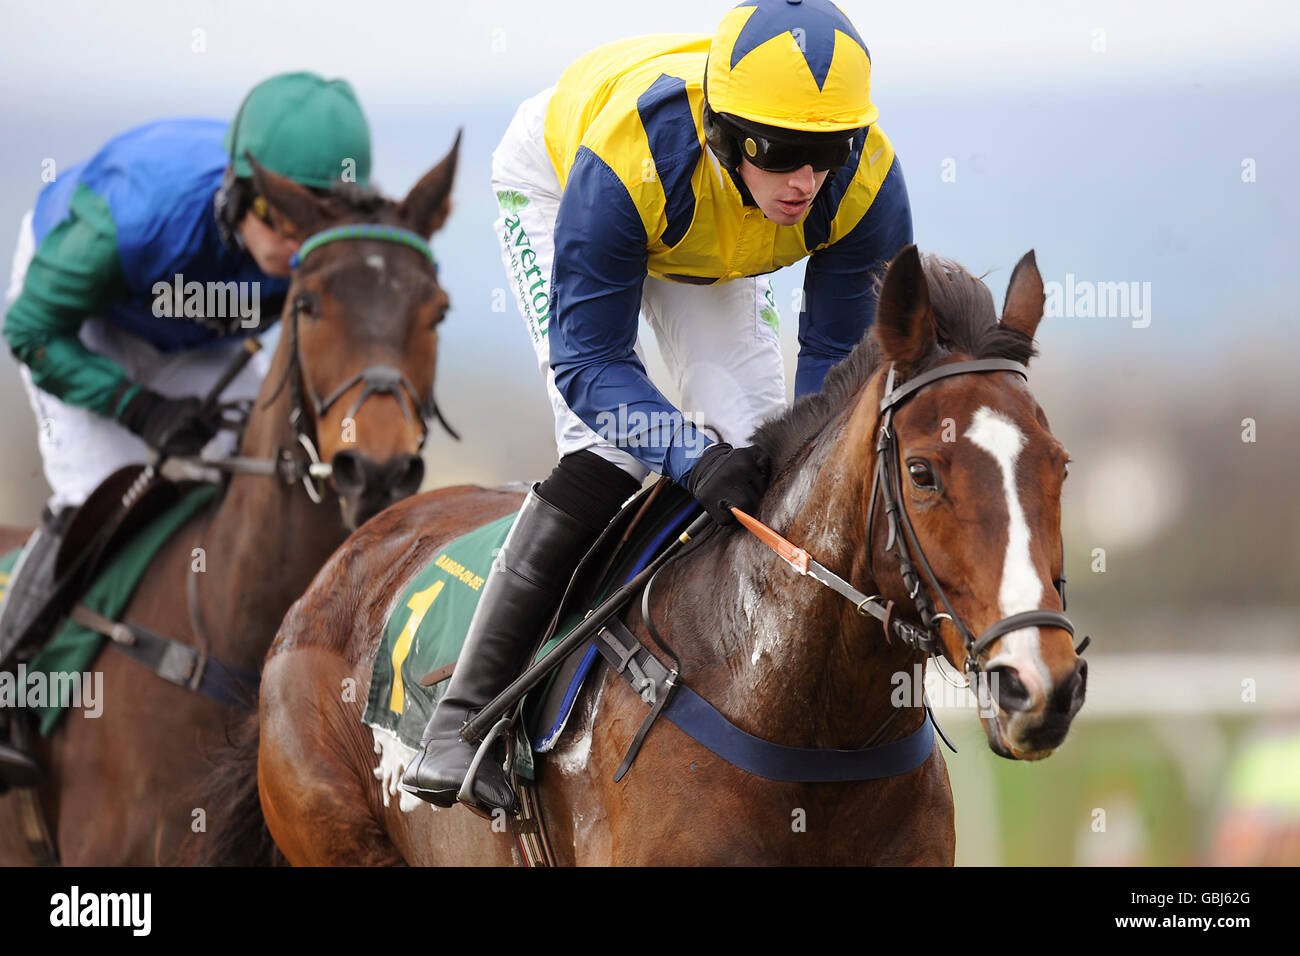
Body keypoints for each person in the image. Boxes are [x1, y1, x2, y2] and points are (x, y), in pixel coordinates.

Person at [402, 0, 913, 813]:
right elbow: (591, 364)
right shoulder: (625, 162)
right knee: (616, 450)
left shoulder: (865, 186)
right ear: (725, 129)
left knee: (766, 448)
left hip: (705, 230)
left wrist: (756, 456)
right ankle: (464, 716)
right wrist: (690, 457)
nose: (806, 182)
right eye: (781, 153)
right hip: (568, 183)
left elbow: (837, 379)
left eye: (827, 153)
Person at [0, 71, 373, 788]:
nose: (293, 247)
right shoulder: (138, 215)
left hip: (197, 335)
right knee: (105, 492)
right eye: (281, 221)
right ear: (238, 196)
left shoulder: (310, 246)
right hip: (78, 325)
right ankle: (14, 687)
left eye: (314, 226)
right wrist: (139, 409)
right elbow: (30, 330)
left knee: (258, 487)